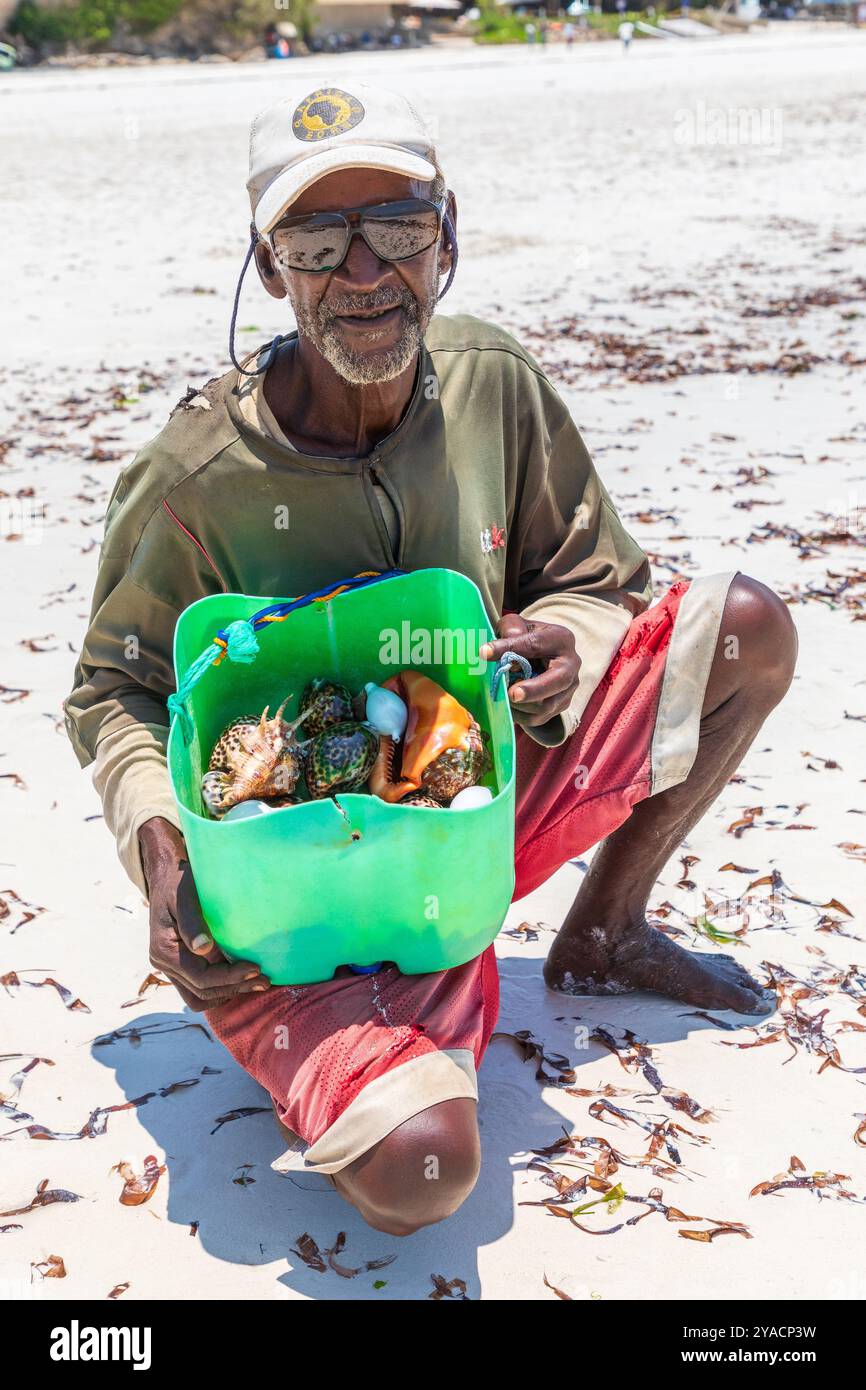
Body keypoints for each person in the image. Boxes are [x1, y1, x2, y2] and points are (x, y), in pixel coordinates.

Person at [66, 81, 796, 1237]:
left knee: (744, 628)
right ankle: (356, 1036)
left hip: (467, 813)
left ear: (445, 237)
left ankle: (603, 932)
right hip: (290, 890)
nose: (363, 272)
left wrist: (579, 638)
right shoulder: (198, 475)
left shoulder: (493, 384)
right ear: (269, 267)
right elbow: (116, 689)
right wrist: (164, 853)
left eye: (396, 229)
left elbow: (596, 576)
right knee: (421, 1172)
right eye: (318, 239)